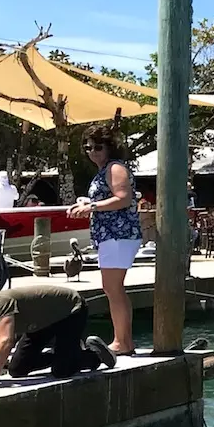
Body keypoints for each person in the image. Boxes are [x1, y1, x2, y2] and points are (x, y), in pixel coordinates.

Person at [0, 284, 116, 394]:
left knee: (61, 371)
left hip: (69, 311)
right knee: (17, 369)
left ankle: (93, 355)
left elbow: (6, 342)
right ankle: (69, 353)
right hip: (39, 323)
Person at [68, 125, 141, 356]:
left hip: (118, 234)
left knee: (113, 288)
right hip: (110, 235)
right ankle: (123, 341)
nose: (92, 152)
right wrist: (87, 204)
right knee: (112, 289)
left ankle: (122, 343)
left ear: (110, 146)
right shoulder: (104, 170)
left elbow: (123, 198)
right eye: (88, 147)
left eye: (98, 147)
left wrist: (91, 206)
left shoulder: (115, 167)